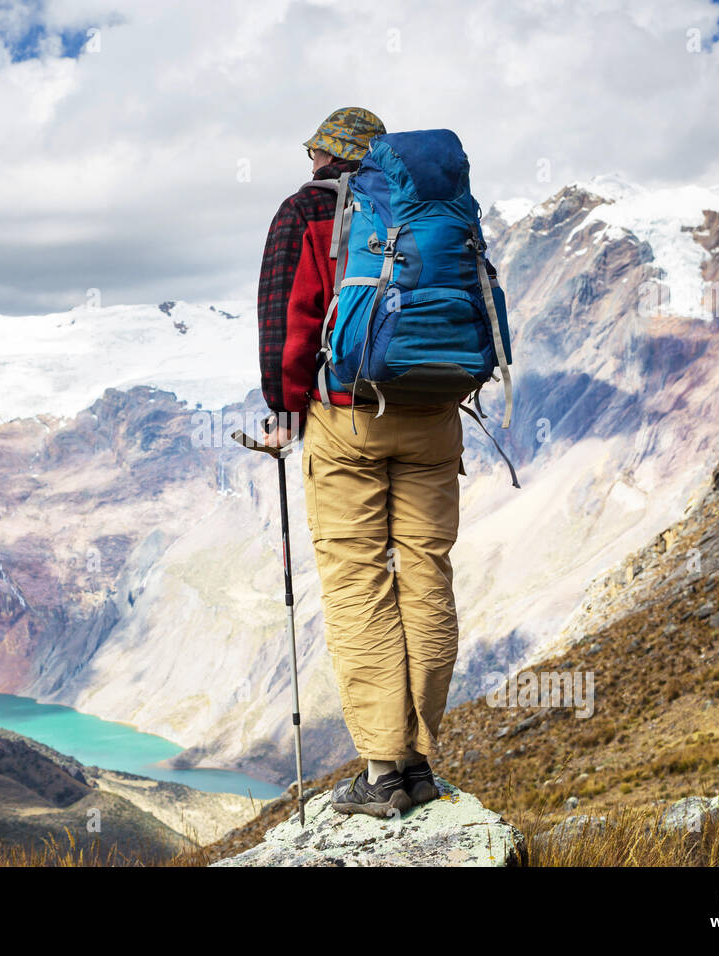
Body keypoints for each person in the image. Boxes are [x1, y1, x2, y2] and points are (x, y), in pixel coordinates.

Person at [255, 108, 464, 817]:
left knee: (358, 586)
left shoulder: (305, 213)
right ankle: (421, 763)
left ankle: (382, 774)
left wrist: (285, 413)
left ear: (320, 154)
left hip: (347, 417)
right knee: (427, 574)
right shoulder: (432, 208)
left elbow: (289, 323)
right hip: (433, 416)